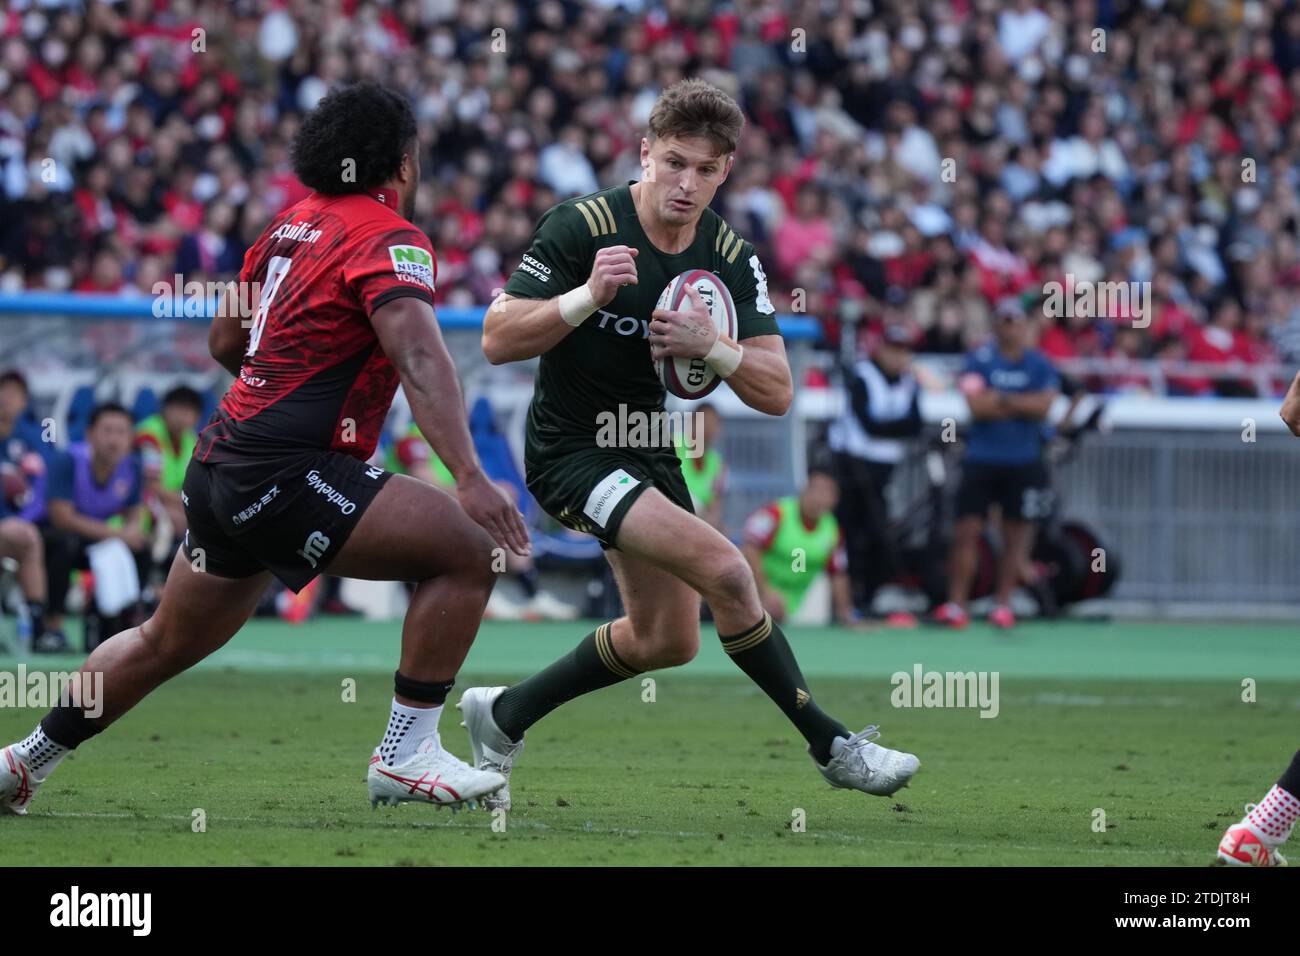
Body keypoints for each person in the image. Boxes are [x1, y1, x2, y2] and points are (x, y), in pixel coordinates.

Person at [1, 83, 529, 816]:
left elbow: (224, 341)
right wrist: (470, 476)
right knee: (470, 548)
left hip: (223, 460)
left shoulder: (288, 227)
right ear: (404, 165)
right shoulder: (389, 236)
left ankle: (23, 762)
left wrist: (269, 397)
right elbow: (420, 357)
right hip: (286, 467)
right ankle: (406, 752)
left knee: (162, 641)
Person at [461, 78, 919, 812]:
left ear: (726, 171)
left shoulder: (729, 254)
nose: (687, 183)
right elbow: (495, 338)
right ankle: (833, 746)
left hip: (647, 446)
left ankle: (504, 715)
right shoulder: (583, 226)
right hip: (569, 452)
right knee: (729, 571)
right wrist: (586, 299)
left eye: (706, 170)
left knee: (667, 640)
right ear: (644, 152)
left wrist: (717, 347)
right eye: (674, 162)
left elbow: (776, 390)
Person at [934, 297, 1059, 630]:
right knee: (966, 532)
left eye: (1015, 320)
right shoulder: (979, 359)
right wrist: (1021, 403)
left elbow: (1044, 408)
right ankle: (957, 604)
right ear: (995, 324)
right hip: (981, 459)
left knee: (1015, 537)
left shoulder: (1039, 364)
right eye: (1004, 320)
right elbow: (977, 407)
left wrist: (1001, 399)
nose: (1010, 327)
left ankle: (1003, 604)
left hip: (1023, 460)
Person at [827, 325, 922, 625]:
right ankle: (844, 599)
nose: (897, 357)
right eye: (893, 349)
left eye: (903, 351)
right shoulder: (864, 377)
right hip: (853, 467)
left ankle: (866, 596)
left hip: (884, 469)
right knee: (848, 533)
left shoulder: (909, 382)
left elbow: (915, 424)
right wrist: (895, 427)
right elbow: (869, 423)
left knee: (879, 533)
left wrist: (888, 428)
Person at [43, 402, 150, 651]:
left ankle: (123, 627)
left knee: (141, 549)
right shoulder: (67, 460)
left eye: (122, 432)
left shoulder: (132, 466)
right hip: (48, 534)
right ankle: (52, 629)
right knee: (64, 544)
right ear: (90, 433)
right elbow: (62, 518)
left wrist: (132, 532)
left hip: (93, 539)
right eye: (107, 431)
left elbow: (134, 514)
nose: (114, 440)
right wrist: (118, 534)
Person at [740, 468, 862, 628]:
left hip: (793, 608)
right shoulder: (776, 513)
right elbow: (749, 549)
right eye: (817, 491)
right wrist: (764, 593)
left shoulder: (832, 529)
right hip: (752, 596)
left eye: (828, 493)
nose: (821, 498)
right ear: (804, 491)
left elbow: (838, 573)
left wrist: (846, 614)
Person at [0, 370, 62, 651]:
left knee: (32, 538)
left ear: (24, 402)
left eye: (14, 393)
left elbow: (40, 492)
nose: (5, 398)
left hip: (16, 527)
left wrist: (19, 521)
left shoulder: (33, 439)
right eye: (2, 390)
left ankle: (39, 628)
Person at [133, 384, 203, 547]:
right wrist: (183, 504)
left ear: (197, 416)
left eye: (188, 412)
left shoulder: (191, 439)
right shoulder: (149, 435)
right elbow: (150, 485)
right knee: (179, 519)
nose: (181, 417)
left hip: (170, 500)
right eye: (177, 409)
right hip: (142, 497)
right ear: (164, 409)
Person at [674, 402, 728, 534]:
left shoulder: (717, 464)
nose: (708, 427)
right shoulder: (672, 446)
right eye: (703, 421)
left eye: (713, 422)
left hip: (698, 525)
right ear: (691, 423)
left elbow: (715, 507)